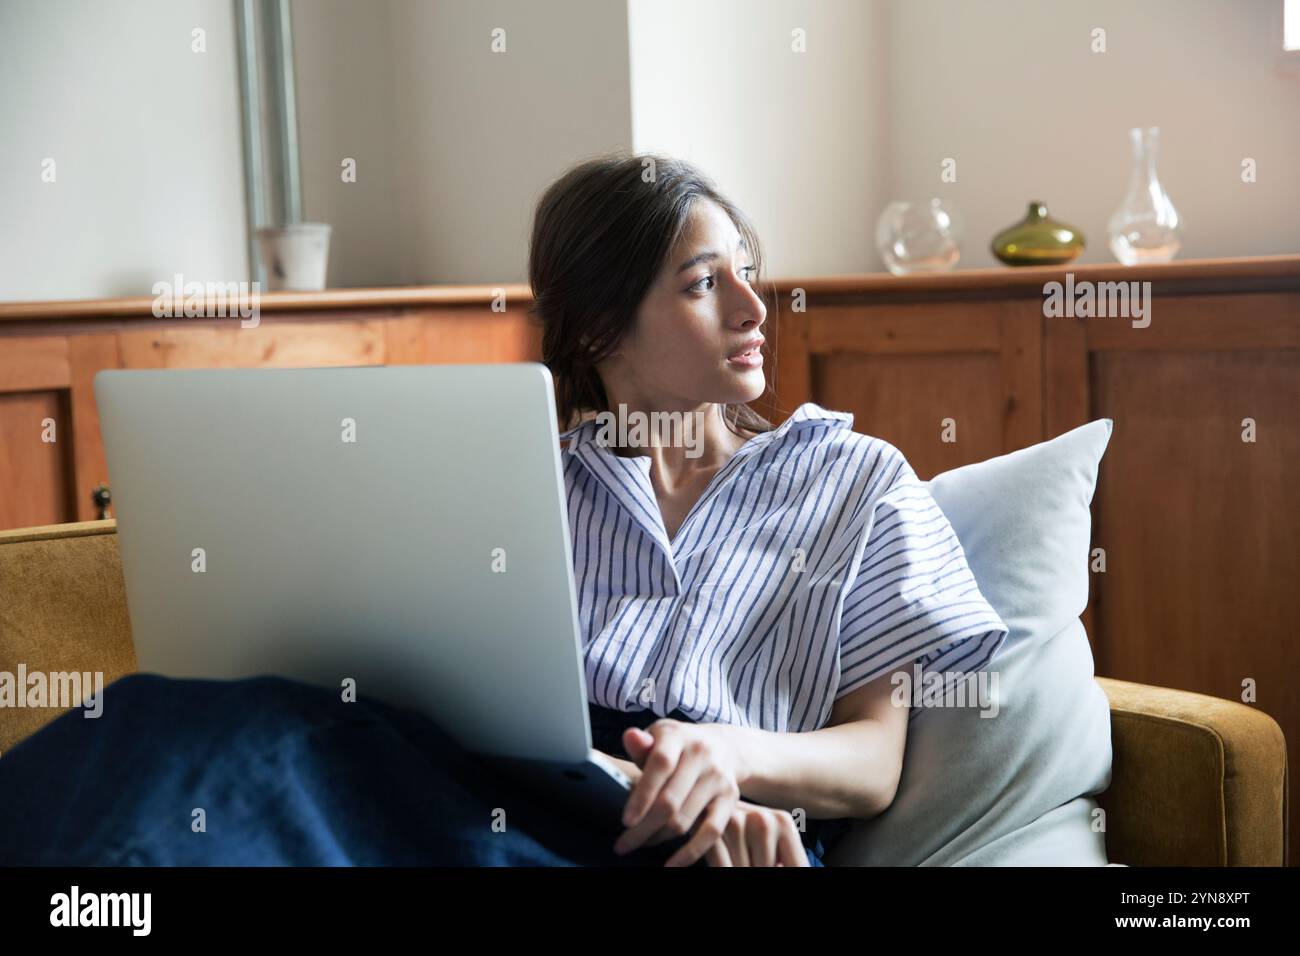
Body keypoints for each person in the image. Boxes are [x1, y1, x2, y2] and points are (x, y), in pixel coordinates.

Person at [0, 152, 1009, 867]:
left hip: (708, 824)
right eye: (706, 283)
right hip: (492, 789)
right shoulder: (516, 472)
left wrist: (733, 758)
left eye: (749, 269)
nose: (753, 307)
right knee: (174, 719)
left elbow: (875, 759)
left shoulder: (857, 479)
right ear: (602, 328)